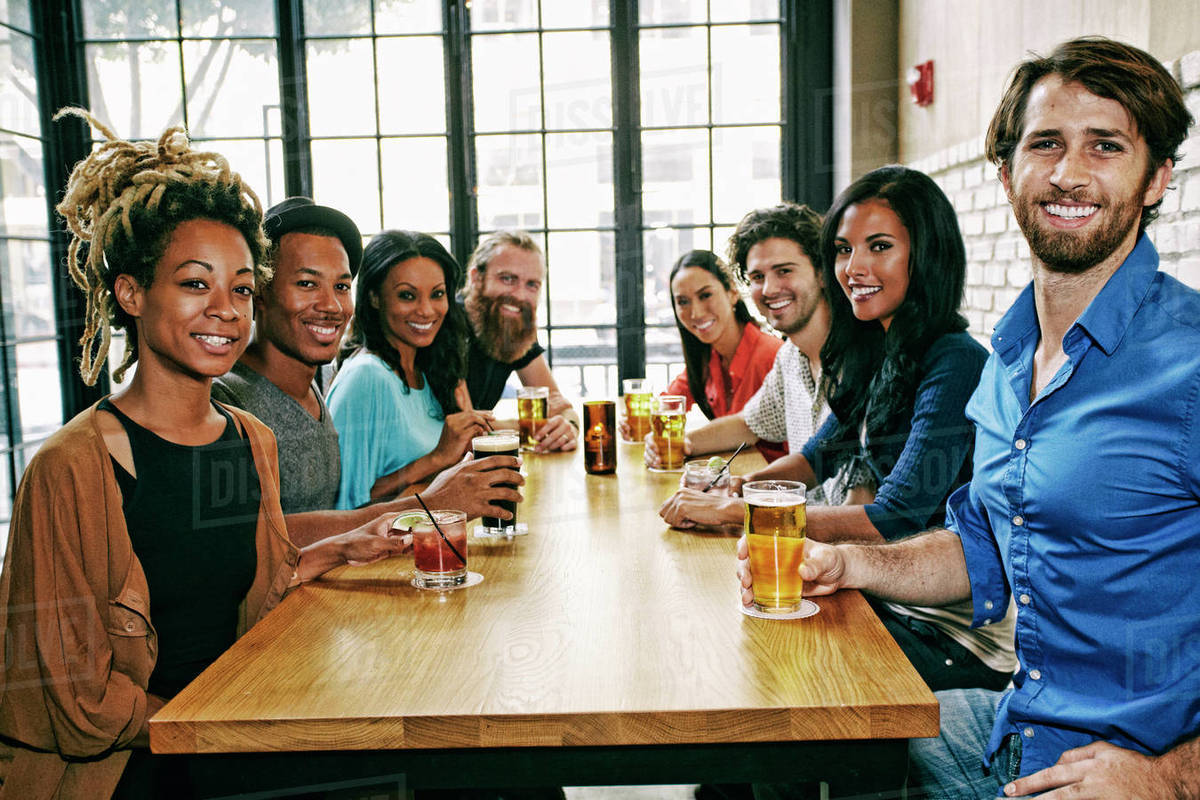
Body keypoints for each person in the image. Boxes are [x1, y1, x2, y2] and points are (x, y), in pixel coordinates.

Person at [745, 37, 1200, 799]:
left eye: (1105, 146)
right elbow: (981, 548)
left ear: (1156, 177)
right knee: (798, 730)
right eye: (1045, 143)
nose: (1068, 172)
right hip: (1018, 733)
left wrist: (1171, 777)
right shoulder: (1007, 362)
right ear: (1006, 172)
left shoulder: (1188, 362)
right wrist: (849, 563)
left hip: (1131, 770)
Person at [0, 111, 409, 800]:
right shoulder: (71, 466)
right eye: (196, 283)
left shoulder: (250, 439)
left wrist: (342, 547)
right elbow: (71, 700)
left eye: (242, 288)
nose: (226, 309)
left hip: (226, 735)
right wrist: (215, 728)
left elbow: (246, 591)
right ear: (131, 292)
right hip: (131, 767)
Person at [668, 166, 1015, 692]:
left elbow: (893, 518)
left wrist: (740, 513)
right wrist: (738, 488)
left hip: (953, 636)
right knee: (735, 643)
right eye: (844, 249)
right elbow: (816, 458)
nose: (854, 268)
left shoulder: (955, 361)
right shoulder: (881, 351)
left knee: (765, 670)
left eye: (880, 247)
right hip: (880, 596)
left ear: (926, 254)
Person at [212, 198, 523, 545]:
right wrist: (431, 503)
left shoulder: (312, 386)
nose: (332, 306)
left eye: (342, 287)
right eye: (307, 283)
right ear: (258, 290)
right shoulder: (223, 400)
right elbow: (248, 540)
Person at [644, 203, 843, 504]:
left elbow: (863, 508)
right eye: (758, 277)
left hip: (818, 529)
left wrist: (731, 506)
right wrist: (681, 443)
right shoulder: (791, 357)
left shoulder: (859, 362)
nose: (769, 289)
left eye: (784, 271)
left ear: (822, 272)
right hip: (795, 521)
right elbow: (748, 424)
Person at [328, 230, 494, 510]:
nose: (426, 310)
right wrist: (437, 458)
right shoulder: (366, 377)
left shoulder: (428, 370)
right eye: (407, 295)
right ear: (374, 297)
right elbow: (346, 509)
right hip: (390, 538)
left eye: (437, 294)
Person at [623, 249, 785, 461]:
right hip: (733, 473)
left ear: (732, 292)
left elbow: (748, 428)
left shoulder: (772, 355)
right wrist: (640, 422)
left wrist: (678, 441)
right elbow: (669, 404)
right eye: (683, 302)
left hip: (775, 478)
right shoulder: (708, 357)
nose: (696, 313)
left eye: (705, 295)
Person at [462, 230, 579, 452]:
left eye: (531, 284)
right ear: (476, 278)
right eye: (508, 279)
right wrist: (526, 426)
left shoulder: (513, 325)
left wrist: (569, 427)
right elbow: (460, 430)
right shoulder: (446, 325)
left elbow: (560, 405)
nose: (520, 295)